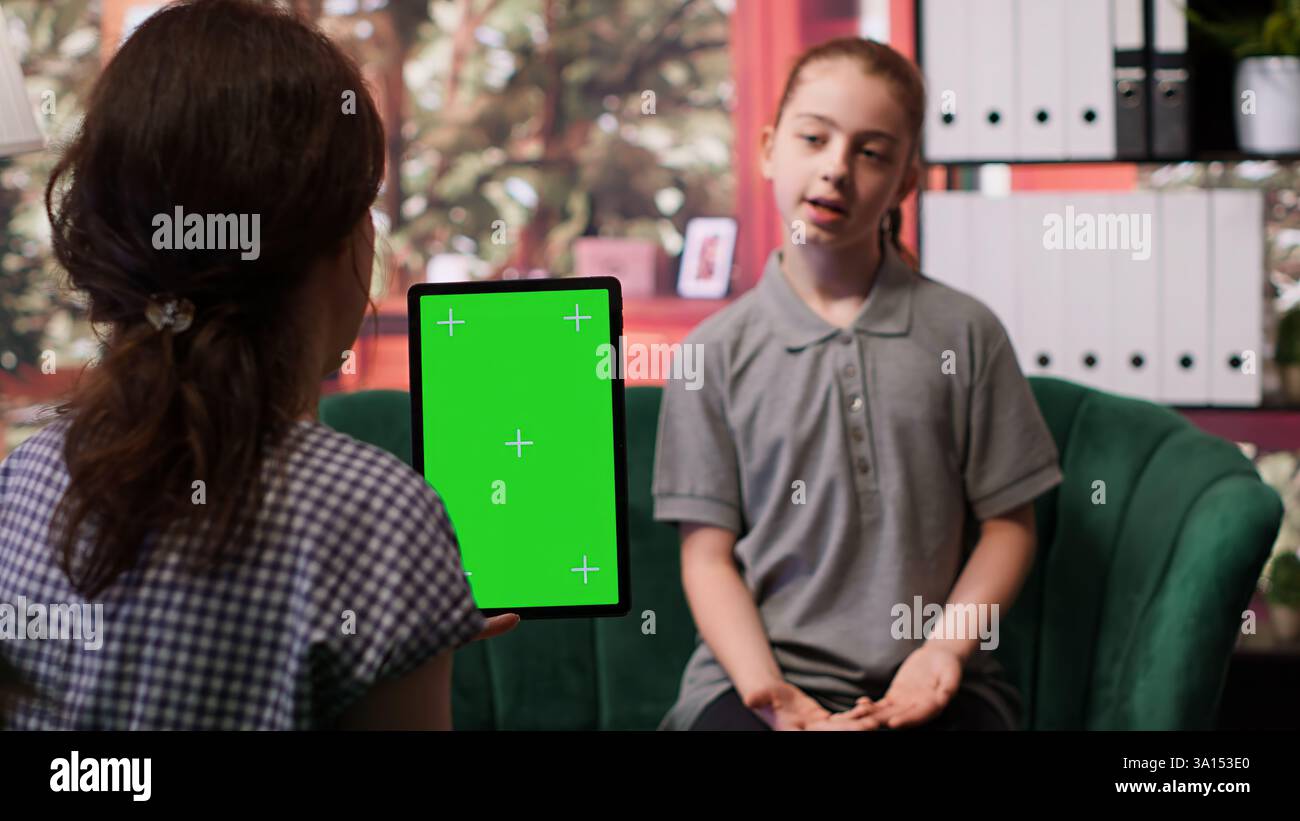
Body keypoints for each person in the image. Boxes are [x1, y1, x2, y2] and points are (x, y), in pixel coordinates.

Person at [0, 0, 516, 730]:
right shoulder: (376, 519)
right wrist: (402, 618)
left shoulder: (24, 481)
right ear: (343, 248)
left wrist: (403, 623)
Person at [652, 37, 1064, 731]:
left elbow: (1009, 523)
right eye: (813, 137)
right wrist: (774, 697)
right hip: (755, 685)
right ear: (767, 148)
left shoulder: (966, 333)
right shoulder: (714, 353)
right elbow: (707, 554)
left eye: (872, 152)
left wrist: (943, 651)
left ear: (906, 179)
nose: (836, 169)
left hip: (939, 680)